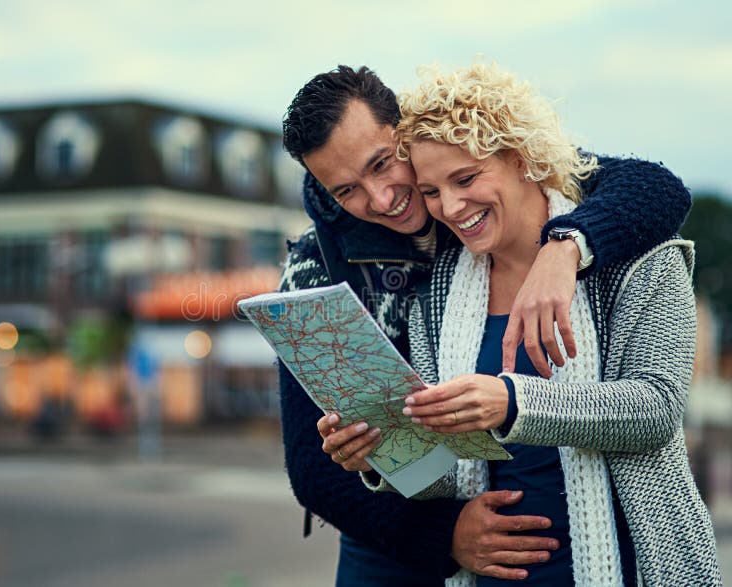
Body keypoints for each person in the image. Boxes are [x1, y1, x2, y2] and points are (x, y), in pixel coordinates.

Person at [280, 65, 693, 585]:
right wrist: (383, 468)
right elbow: (323, 469)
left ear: (403, 134)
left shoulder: (478, 208)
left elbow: (651, 186)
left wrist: (565, 247)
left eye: (384, 164)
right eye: (347, 190)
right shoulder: (325, 271)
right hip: (395, 539)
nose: (382, 198)